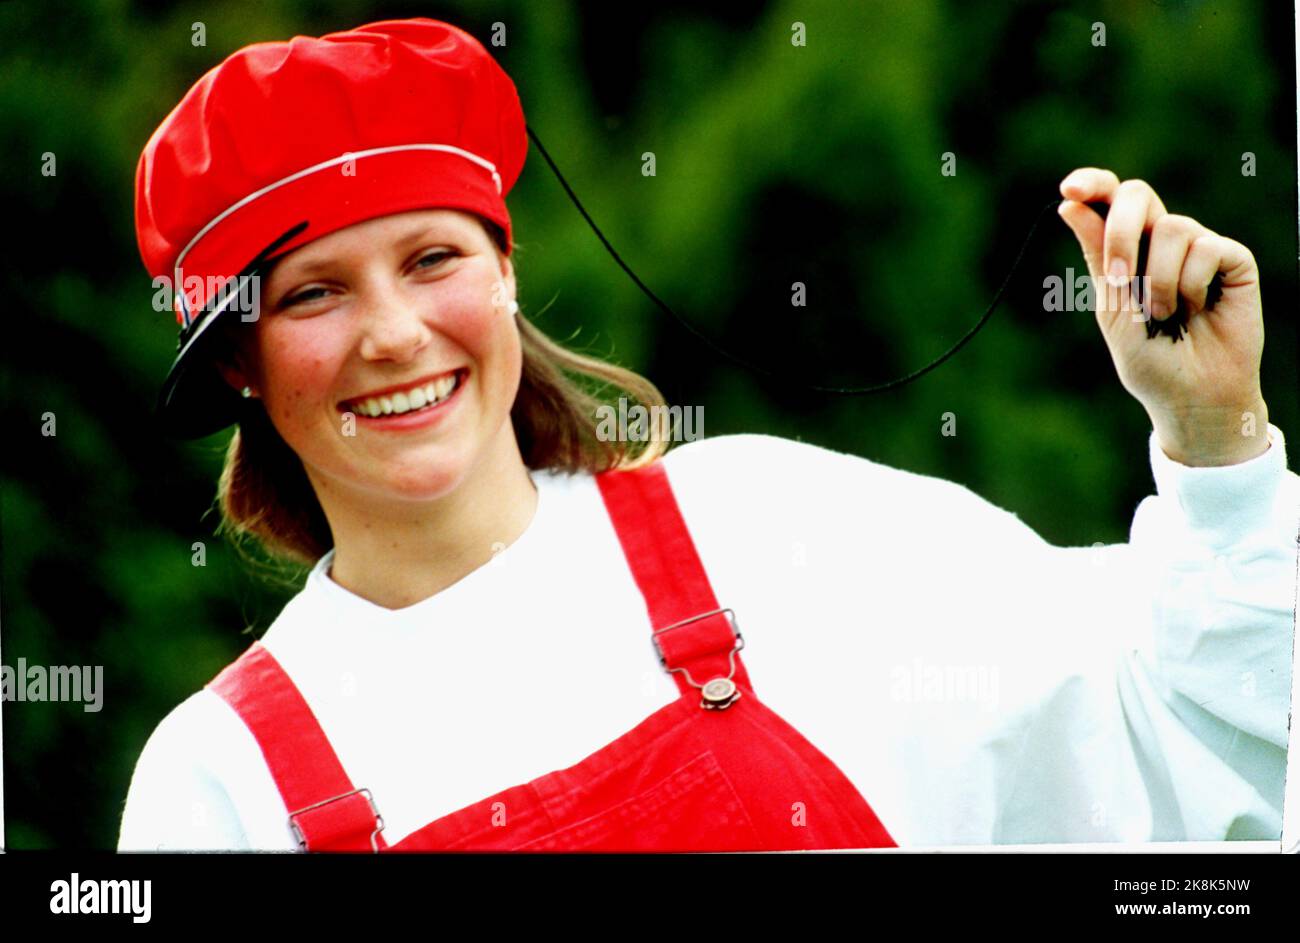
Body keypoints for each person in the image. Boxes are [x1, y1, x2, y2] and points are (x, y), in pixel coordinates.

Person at [119, 17, 1297, 851]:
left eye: (434, 260)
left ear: (506, 274)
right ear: (237, 360)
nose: (393, 334)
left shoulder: (769, 534)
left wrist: (1212, 437)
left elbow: (1188, 743)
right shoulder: (222, 782)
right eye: (314, 293)